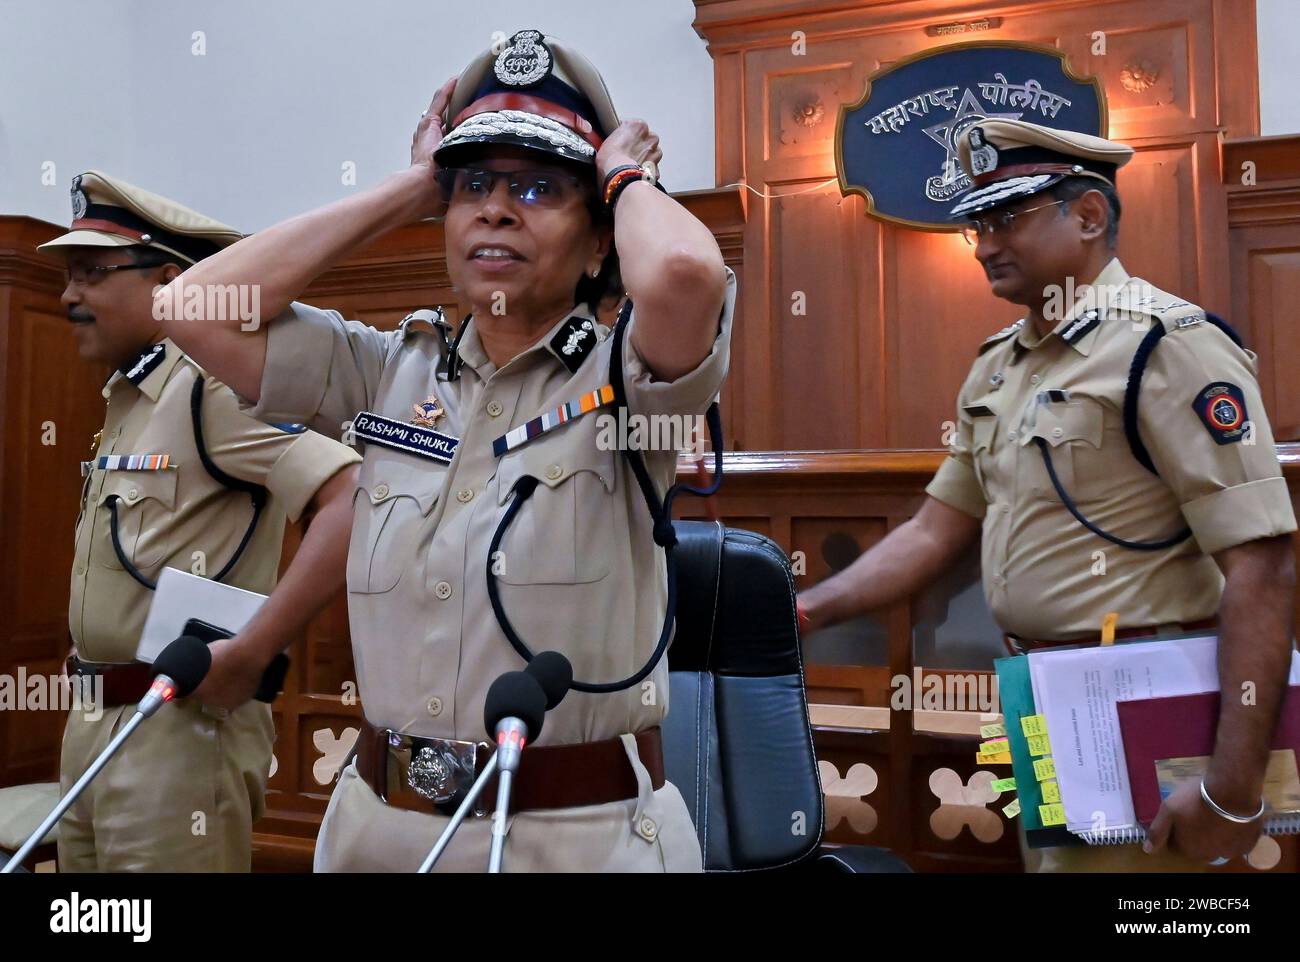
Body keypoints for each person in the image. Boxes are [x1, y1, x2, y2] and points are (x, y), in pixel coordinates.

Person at [158, 29, 735, 872]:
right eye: (472, 186)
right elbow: (192, 307)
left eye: (539, 188)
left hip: (572, 838)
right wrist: (406, 188)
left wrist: (626, 177)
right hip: (379, 829)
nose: (496, 208)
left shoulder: (629, 380)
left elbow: (685, 273)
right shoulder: (389, 371)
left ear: (600, 238)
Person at [798, 119, 1296, 872]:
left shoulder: (1167, 345)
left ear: (1089, 216)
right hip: (1043, 697)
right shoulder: (1000, 366)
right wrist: (807, 609)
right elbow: (936, 531)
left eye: (1006, 219)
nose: (984, 243)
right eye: (976, 224)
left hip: (1148, 695)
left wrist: (1232, 788)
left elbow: (1262, 564)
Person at [42, 171, 360, 871]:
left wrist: (251, 653)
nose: (68, 296)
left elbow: (351, 496)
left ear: (166, 279)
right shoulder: (129, 397)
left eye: (92, 273)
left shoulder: (211, 390)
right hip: (93, 718)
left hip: (178, 732)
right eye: (69, 276)